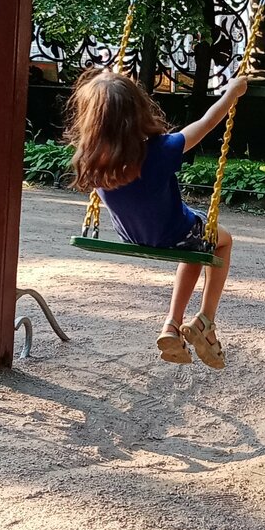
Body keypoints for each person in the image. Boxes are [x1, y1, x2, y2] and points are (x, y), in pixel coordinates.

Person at [67, 69, 248, 370]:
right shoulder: (159, 151)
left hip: (133, 236)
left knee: (194, 244)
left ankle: (171, 326)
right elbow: (206, 123)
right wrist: (231, 93)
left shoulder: (91, 157)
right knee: (221, 242)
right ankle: (206, 320)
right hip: (176, 232)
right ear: (139, 109)